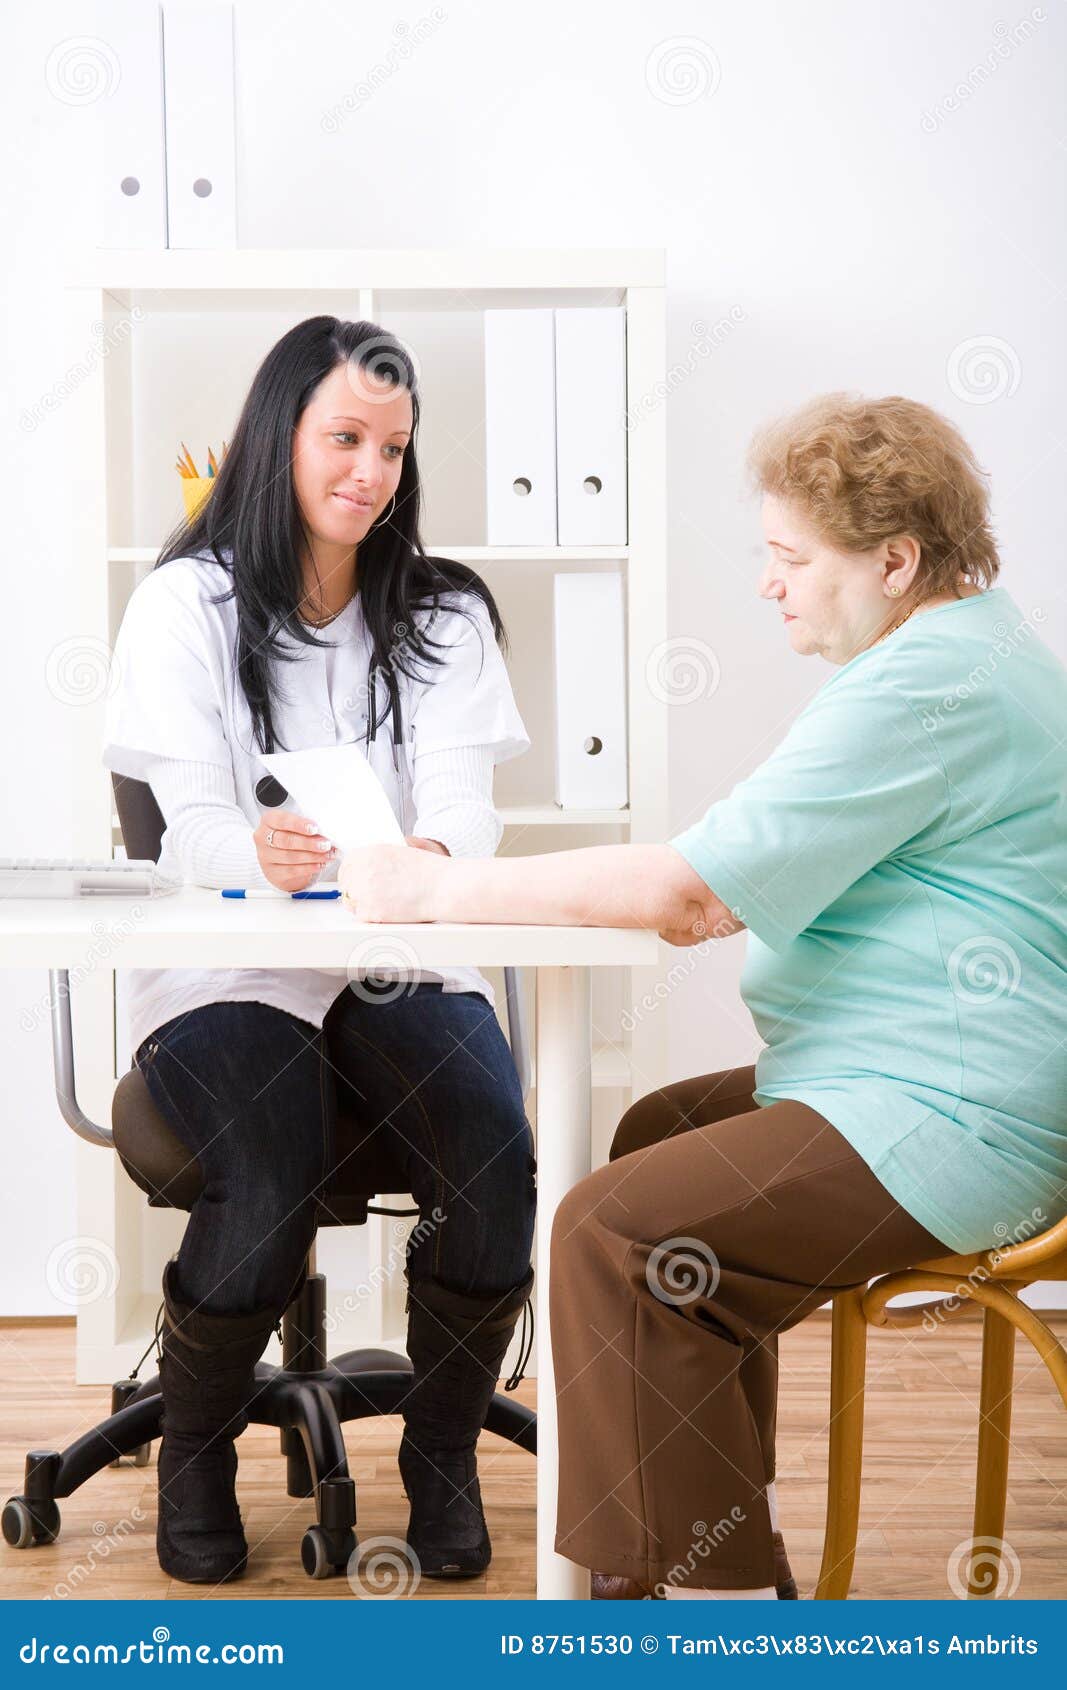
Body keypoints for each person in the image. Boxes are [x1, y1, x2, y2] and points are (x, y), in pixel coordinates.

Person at [338, 393, 1067, 1599]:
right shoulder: (971, 649)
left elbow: (690, 897)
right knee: (652, 1139)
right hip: (912, 1073)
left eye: (791, 559)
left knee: (616, 1233)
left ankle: (716, 1610)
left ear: (893, 560)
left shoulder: (921, 690)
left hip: (955, 1108)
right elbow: (723, 874)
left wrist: (433, 890)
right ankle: (687, 1559)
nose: (770, 585)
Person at [102, 317, 536, 1585]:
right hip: (234, 960)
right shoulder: (185, 603)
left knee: (495, 1151)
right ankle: (194, 1450)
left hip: (394, 946)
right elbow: (187, 828)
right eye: (342, 437)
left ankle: (440, 1453)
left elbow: (459, 806)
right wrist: (255, 850)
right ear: (275, 438)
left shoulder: (443, 610)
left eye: (393, 447)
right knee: (268, 1164)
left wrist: (431, 859)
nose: (370, 471)